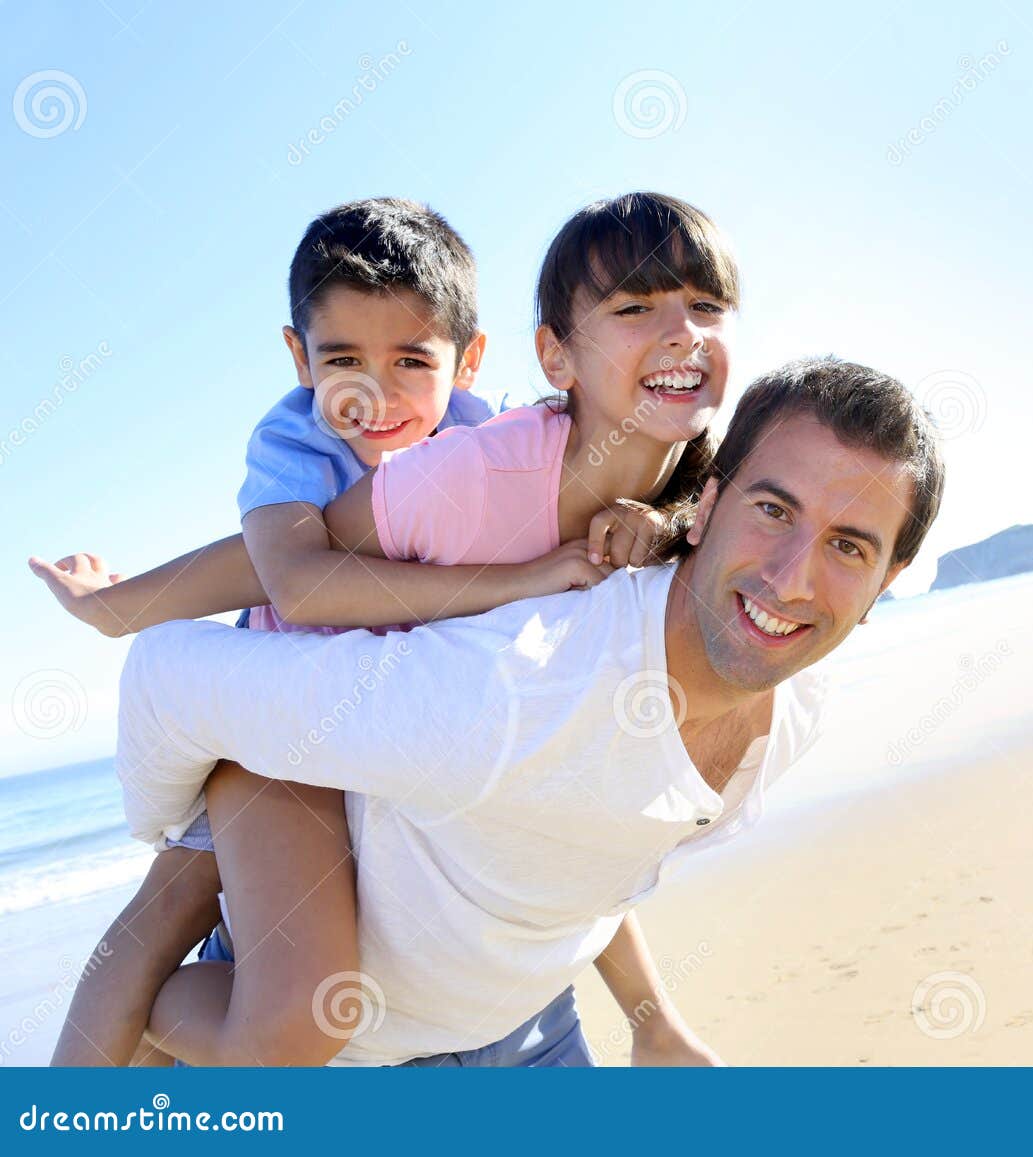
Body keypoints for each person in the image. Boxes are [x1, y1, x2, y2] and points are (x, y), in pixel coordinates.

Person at [37, 193, 731, 1067]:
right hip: (272, 724)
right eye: (342, 360)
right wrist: (116, 605)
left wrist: (654, 527)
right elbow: (292, 580)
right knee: (172, 910)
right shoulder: (294, 444)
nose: (375, 390)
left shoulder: (486, 444)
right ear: (298, 357)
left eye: (411, 359)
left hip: (376, 722)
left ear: (470, 361)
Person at [115, 357, 945, 1066]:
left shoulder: (795, 701)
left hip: (534, 1028)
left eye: (849, 546)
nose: (794, 579)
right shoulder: (510, 686)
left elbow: (593, 835)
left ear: (884, 583)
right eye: (774, 510)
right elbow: (168, 673)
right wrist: (181, 836)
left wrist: (654, 1023)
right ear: (710, 503)